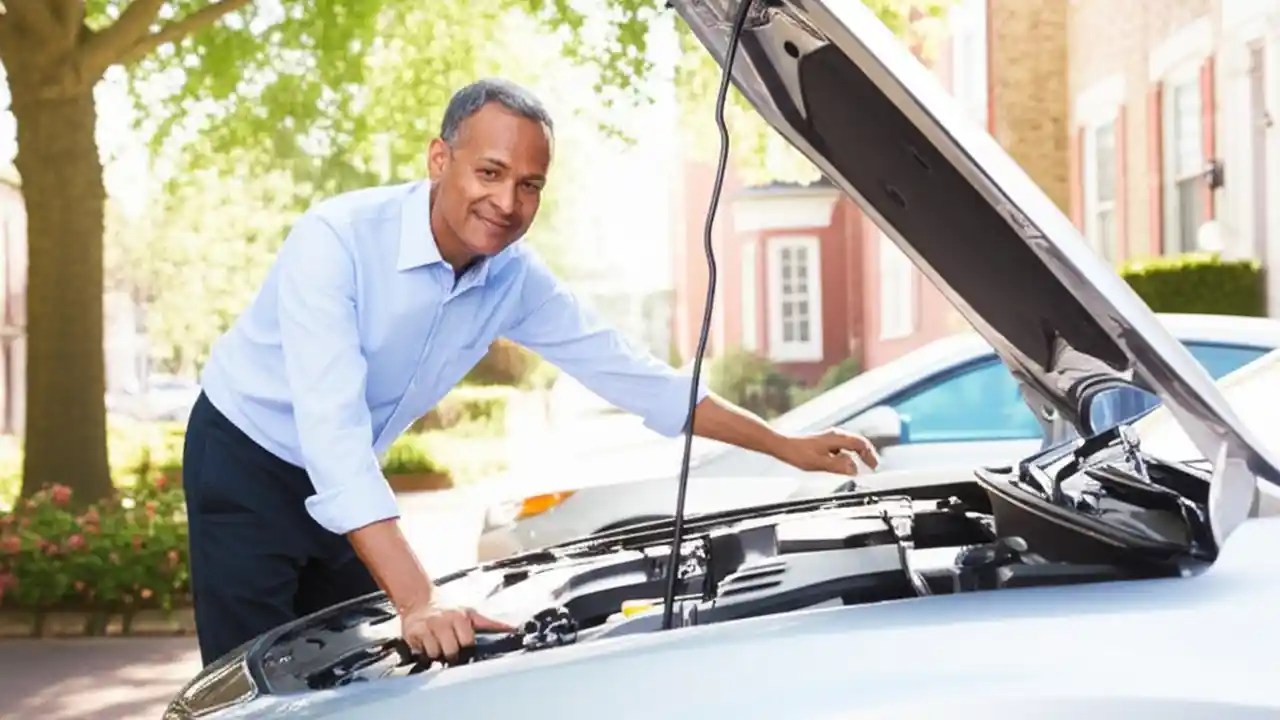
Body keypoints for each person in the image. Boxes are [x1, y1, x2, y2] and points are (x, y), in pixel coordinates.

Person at [182, 77, 880, 667]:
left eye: (529, 184)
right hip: (247, 461)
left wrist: (786, 445)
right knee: (253, 681)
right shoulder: (334, 241)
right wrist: (419, 598)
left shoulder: (513, 278)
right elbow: (330, 432)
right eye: (489, 173)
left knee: (347, 676)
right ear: (438, 160)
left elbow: (633, 375)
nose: (508, 203)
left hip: (347, 482)